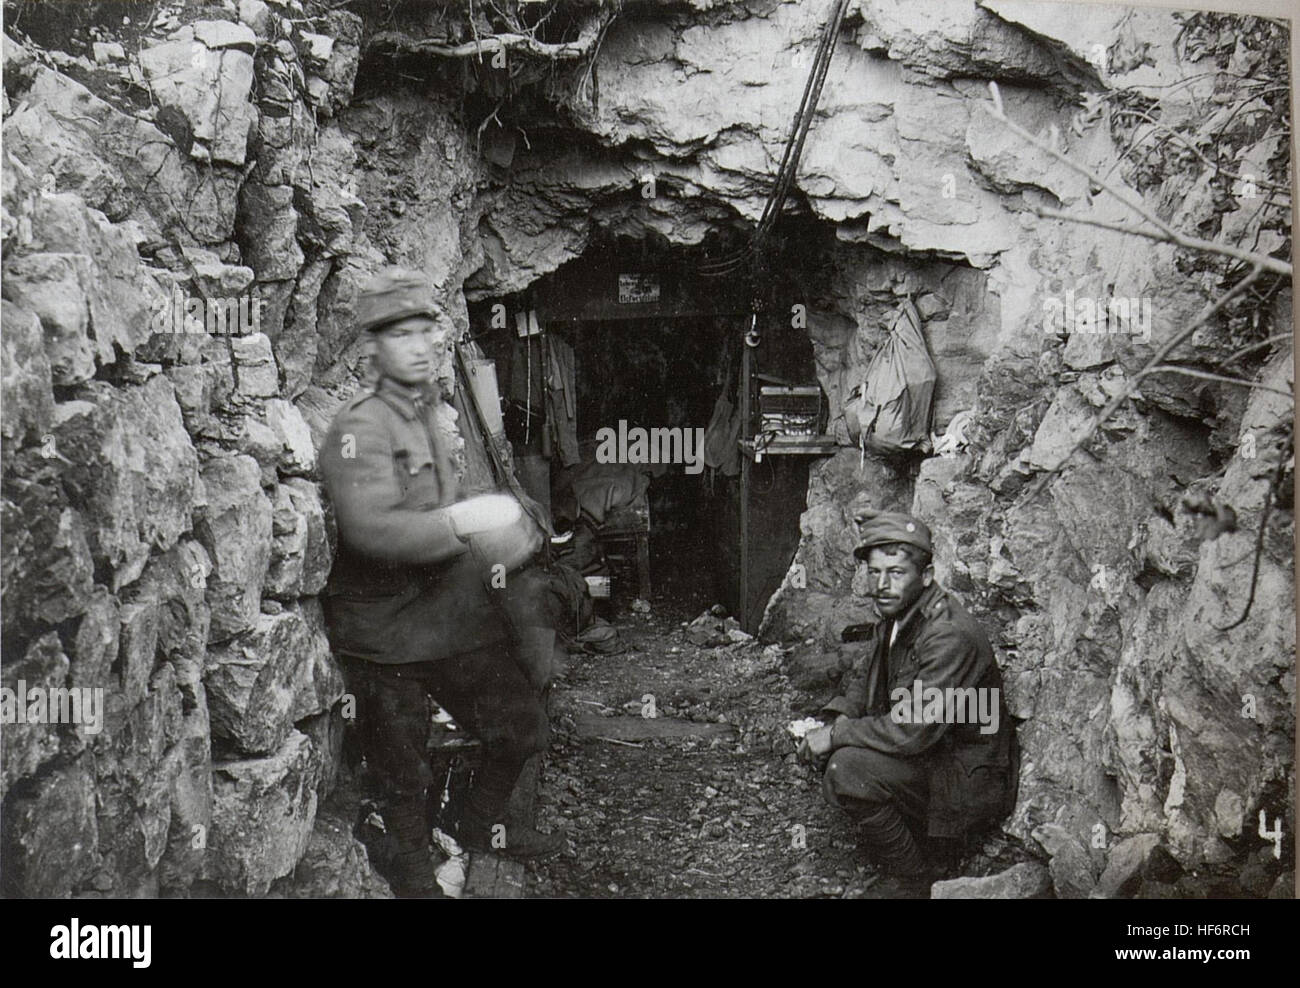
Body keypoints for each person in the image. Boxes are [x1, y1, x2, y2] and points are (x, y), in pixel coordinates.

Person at [319, 267, 562, 898]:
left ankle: (471, 823)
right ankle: (413, 874)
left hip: (441, 615)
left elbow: (441, 519)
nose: (423, 344)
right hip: (380, 630)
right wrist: (461, 522)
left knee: (521, 727)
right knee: (402, 773)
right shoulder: (359, 426)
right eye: (403, 334)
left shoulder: (425, 412)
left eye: (427, 330)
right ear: (373, 349)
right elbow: (371, 530)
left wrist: (499, 544)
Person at [798, 511, 1017, 895]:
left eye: (896, 573)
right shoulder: (899, 616)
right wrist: (835, 719)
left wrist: (837, 736)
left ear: (927, 576)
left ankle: (915, 877)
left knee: (847, 768)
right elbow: (867, 685)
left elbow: (913, 730)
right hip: (936, 758)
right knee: (842, 750)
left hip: (967, 780)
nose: (881, 585)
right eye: (874, 572)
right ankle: (919, 844)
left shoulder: (947, 634)